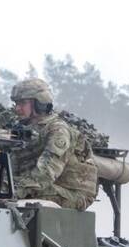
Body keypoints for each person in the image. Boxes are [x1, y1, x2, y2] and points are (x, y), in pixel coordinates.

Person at [10, 78, 98, 210]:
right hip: (47, 186)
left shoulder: (58, 130)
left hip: (72, 194)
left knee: (21, 192)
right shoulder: (24, 129)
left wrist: (14, 189)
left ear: (39, 103)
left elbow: (46, 173)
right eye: (16, 103)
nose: (17, 108)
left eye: (23, 103)